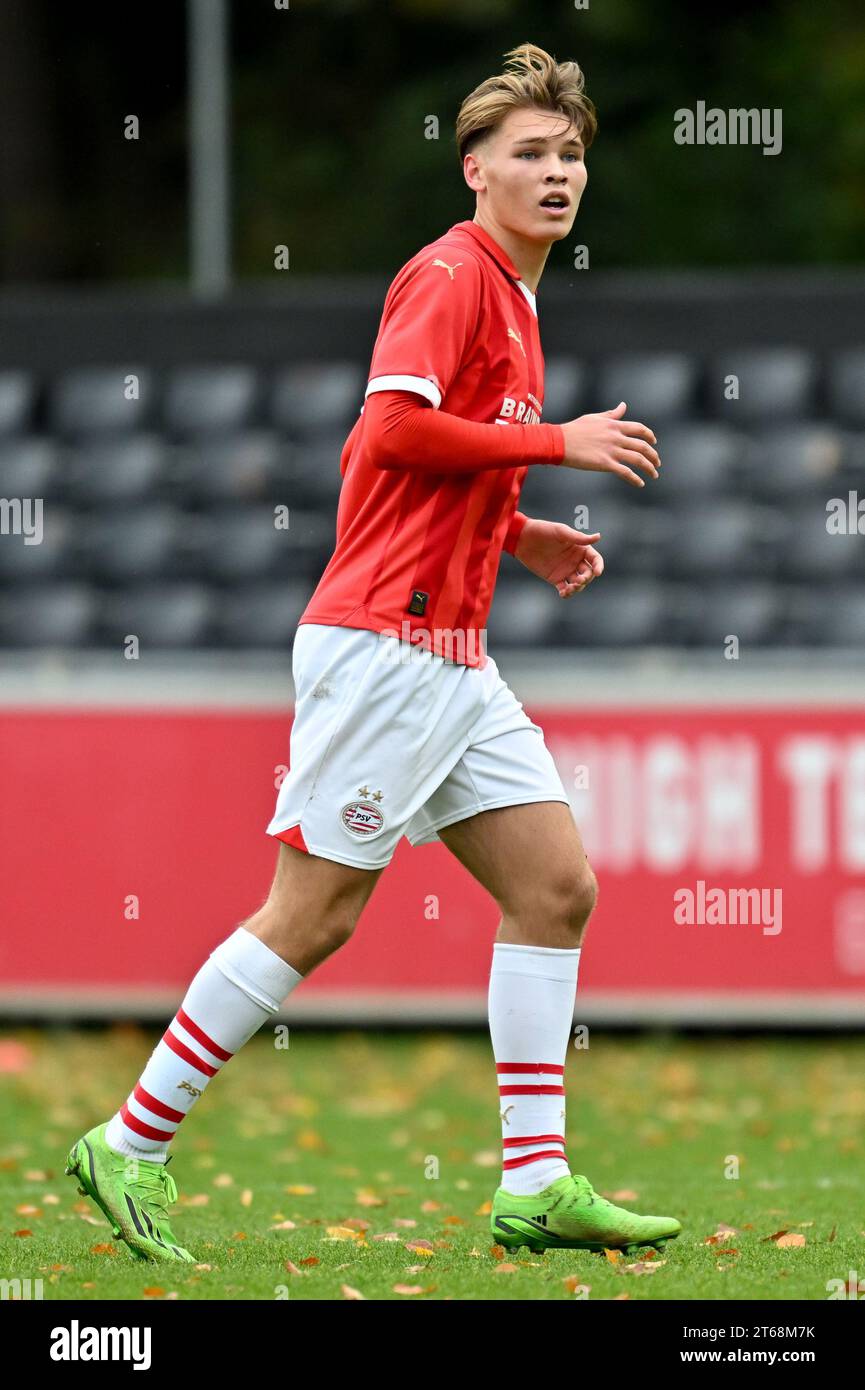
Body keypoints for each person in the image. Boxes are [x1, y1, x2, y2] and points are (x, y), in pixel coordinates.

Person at [66, 41, 680, 1261]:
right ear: (474, 171)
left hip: (454, 652)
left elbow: (411, 462)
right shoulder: (450, 275)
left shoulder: (515, 295)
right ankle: (128, 1142)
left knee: (555, 887)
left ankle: (534, 1183)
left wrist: (515, 532)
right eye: (529, 155)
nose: (556, 174)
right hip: (385, 645)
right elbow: (388, 433)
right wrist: (551, 449)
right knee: (316, 913)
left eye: (569, 156)